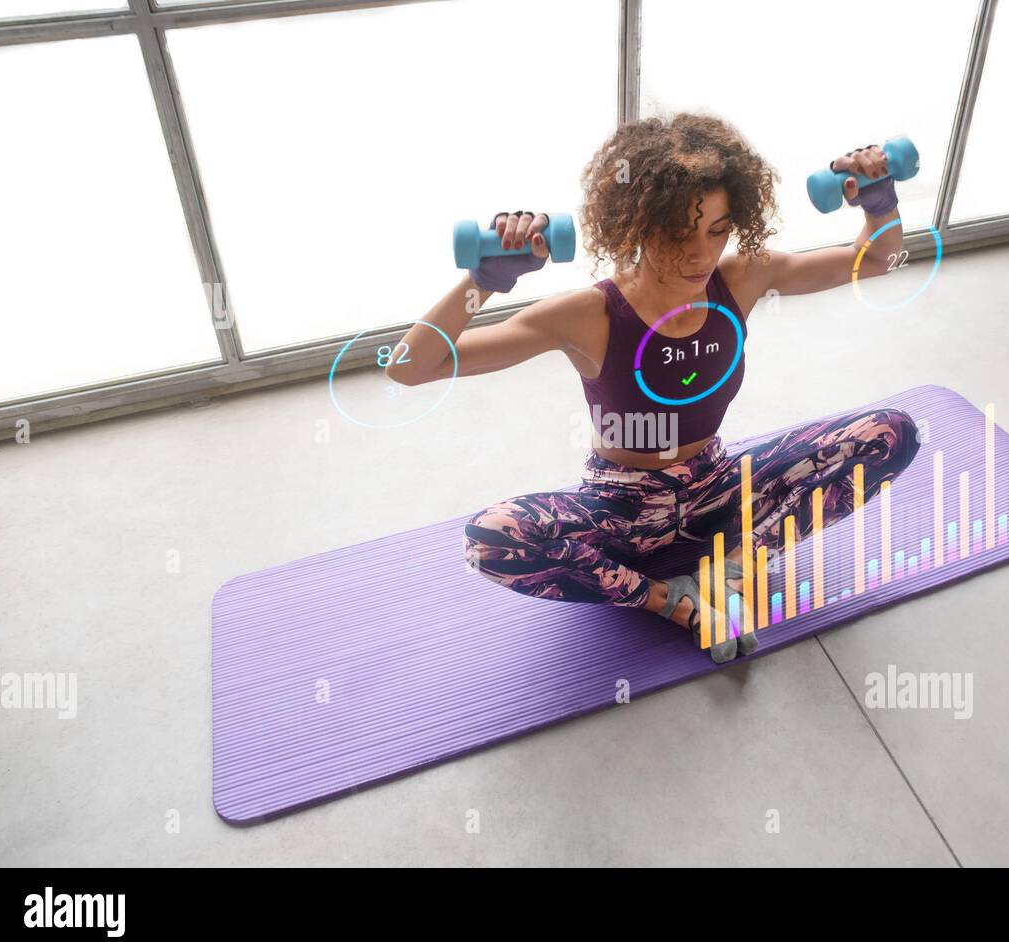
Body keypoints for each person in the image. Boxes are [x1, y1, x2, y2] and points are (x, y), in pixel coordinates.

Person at [388, 112, 920, 663]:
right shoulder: (588, 314)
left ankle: (731, 569)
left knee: (892, 433)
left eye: (717, 230)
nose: (699, 254)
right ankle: (675, 601)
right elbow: (410, 367)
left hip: (715, 484)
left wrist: (880, 203)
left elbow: (881, 260)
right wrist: (481, 283)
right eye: (677, 233)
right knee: (490, 538)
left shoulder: (744, 277)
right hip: (621, 507)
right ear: (635, 225)